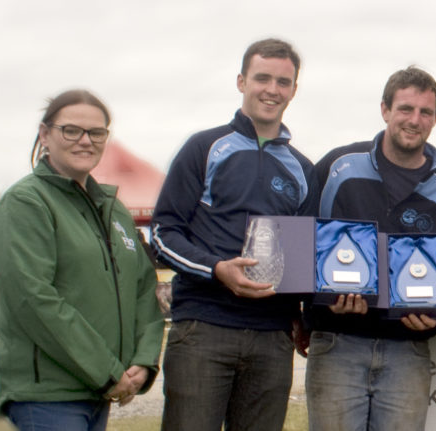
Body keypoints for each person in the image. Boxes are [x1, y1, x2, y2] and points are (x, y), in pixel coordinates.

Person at [151, 38, 312, 431]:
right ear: (241, 81)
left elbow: (302, 256)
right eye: (262, 78)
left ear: (294, 90)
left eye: (283, 82)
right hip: (204, 328)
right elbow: (163, 232)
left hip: (272, 337)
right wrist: (216, 269)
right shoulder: (204, 147)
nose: (272, 90)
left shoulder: (303, 168)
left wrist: (302, 317)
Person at [299, 66, 436, 430]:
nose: (414, 120)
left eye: (425, 112)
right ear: (385, 109)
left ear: (435, 118)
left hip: (408, 352)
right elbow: (302, 244)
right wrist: (314, 303)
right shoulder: (338, 167)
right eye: (405, 108)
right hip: (337, 344)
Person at [0, 89, 164, 430]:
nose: (85, 140)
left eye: (96, 133)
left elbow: (143, 289)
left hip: (98, 392)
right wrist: (107, 371)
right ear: (45, 135)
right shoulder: (26, 203)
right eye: (71, 130)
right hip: (48, 396)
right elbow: (34, 299)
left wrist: (143, 360)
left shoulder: (113, 210)